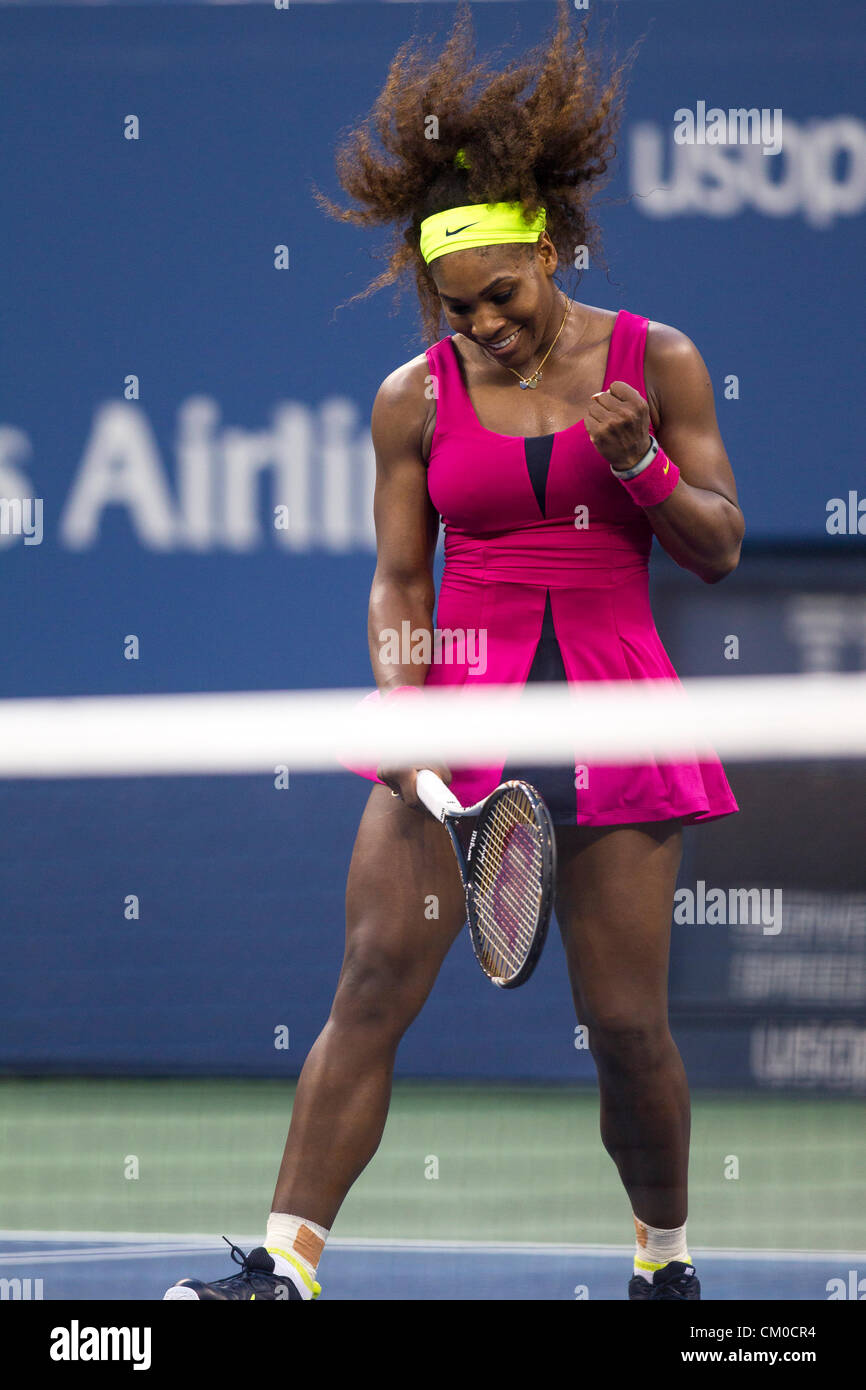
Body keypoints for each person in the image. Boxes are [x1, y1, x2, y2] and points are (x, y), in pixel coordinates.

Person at [164, 0, 743, 1303]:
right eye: (454, 306)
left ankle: (664, 1264)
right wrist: (403, 696)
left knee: (631, 1029)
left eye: (501, 296)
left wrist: (637, 464)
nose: (483, 326)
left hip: (615, 717)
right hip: (456, 706)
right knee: (369, 983)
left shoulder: (660, 361)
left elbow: (717, 545)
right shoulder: (411, 399)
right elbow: (397, 575)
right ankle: (286, 1267)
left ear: (548, 248)